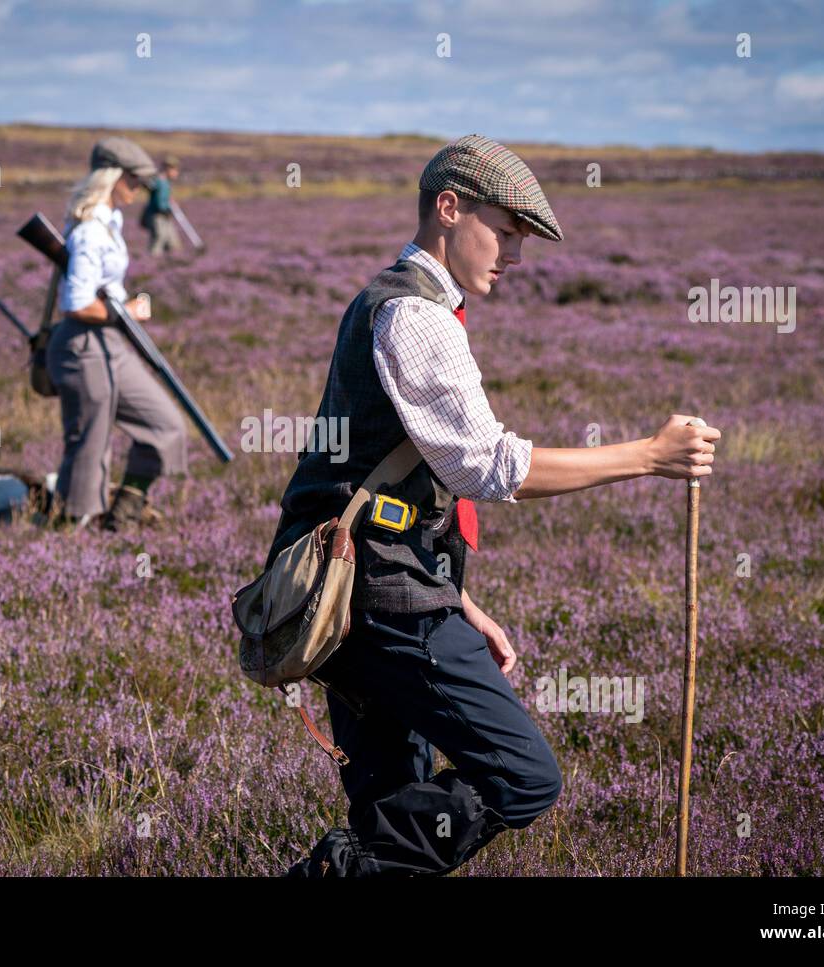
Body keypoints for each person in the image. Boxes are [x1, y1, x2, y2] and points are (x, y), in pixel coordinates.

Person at [272, 134, 722, 877]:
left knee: (398, 803)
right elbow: (487, 465)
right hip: (388, 607)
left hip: (357, 601)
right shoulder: (414, 319)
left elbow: (378, 480)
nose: (514, 256)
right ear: (449, 208)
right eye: (507, 232)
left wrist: (461, 597)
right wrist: (648, 455)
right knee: (524, 775)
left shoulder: (383, 302)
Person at [45, 137, 189, 532]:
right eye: (134, 181)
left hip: (109, 340)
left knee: (165, 424)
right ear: (112, 178)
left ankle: (126, 506)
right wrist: (125, 311)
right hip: (82, 344)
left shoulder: (110, 222)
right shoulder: (90, 230)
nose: (139, 190)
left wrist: (123, 310)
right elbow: (74, 303)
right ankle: (73, 529)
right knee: (90, 442)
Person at [139, 155, 183, 257]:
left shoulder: (164, 182)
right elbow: (160, 203)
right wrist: (167, 207)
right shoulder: (160, 182)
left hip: (164, 216)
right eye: (175, 170)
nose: (177, 173)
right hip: (158, 216)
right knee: (159, 239)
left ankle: (174, 263)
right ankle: (153, 263)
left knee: (173, 242)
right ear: (168, 169)